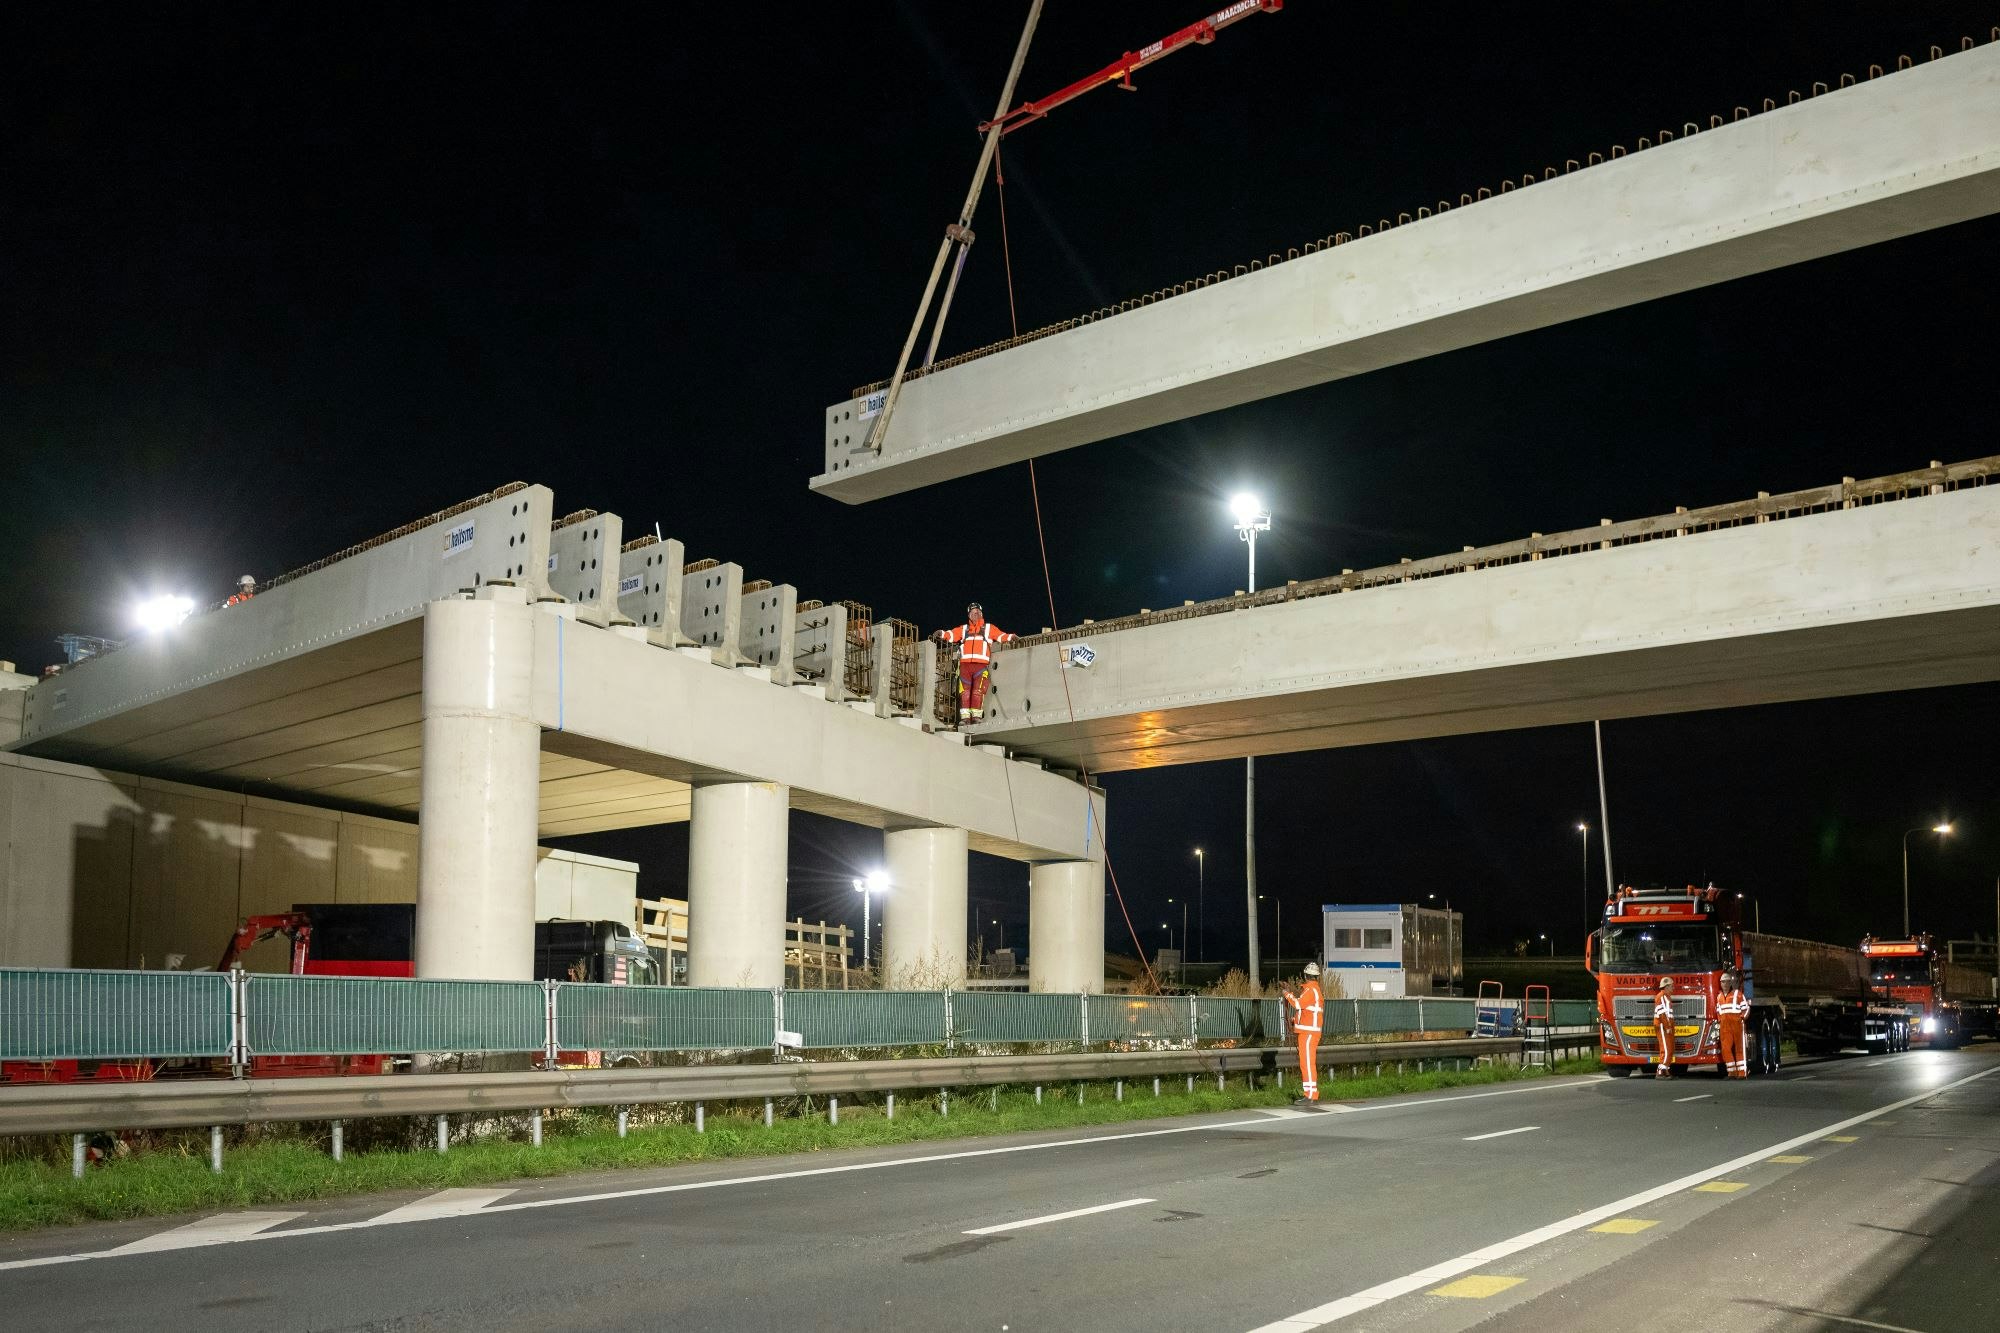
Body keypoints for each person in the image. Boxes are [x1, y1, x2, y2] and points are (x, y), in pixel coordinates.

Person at [934, 603, 1014, 724]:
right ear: (969, 615)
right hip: (965, 666)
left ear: (981, 614)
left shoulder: (988, 628)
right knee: (965, 693)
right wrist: (942, 633)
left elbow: (1001, 635)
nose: (976, 613)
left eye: (978, 611)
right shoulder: (964, 629)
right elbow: (952, 634)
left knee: (978, 692)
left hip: (980, 667)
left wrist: (1011, 637)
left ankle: (976, 717)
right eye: (973, 612)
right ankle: (965, 718)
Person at [1280, 962, 1325, 1105]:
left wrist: (1287, 994)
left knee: (1307, 1064)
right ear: (1317, 976)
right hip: (1308, 1032)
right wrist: (1294, 1020)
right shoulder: (1313, 990)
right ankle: (1310, 1094)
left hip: (1308, 1033)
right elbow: (1306, 1011)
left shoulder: (1311, 990)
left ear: (1306, 975)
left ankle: (1310, 1095)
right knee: (1306, 1064)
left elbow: (1298, 1005)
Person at [1717, 969, 1751, 1079]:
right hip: (1725, 1026)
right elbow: (1718, 1011)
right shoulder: (1719, 997)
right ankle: (1732, 1072)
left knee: (1739, 1049)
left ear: (1730, 983)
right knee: (1725, 1049)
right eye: (1723, 982)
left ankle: (1742, 1073)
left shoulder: (1738, 994)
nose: (1725, 984)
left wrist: (1741, 1019)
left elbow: (1746, 1009)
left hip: (1737, 1024)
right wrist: (1720, 1021)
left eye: (1727, 982)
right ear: (1720, 983)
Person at [1653, 976, 1678, 1078]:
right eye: (1671, 986)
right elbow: (1662, 1013)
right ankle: (1660, 1071)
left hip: (1666, 1025)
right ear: (1666, 986)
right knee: (1666, 1048)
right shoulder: (1662, 996)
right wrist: (1667, 1026)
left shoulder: (1666, 997)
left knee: (1670, 1048)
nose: (1673, 988)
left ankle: (1665, 1069)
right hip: (1663, 1025)